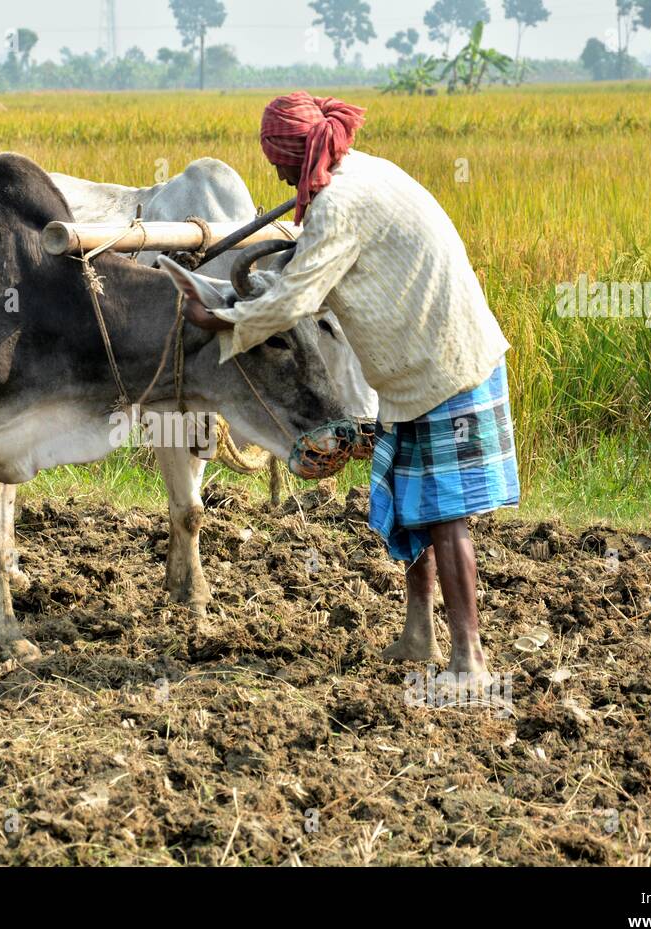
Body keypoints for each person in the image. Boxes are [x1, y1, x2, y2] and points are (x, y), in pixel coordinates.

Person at [182, 91, 519, 680]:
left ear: (294, 152)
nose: (280, 174)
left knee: (444, 515)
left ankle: (470, 658)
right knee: (414, 508)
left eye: (279, 163)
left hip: (444, 366)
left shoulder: (338, 204)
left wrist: (222, 319)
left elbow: (295, 297)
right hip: (419, 366)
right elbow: (314, 257)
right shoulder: (364, 170)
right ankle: (419, 635)